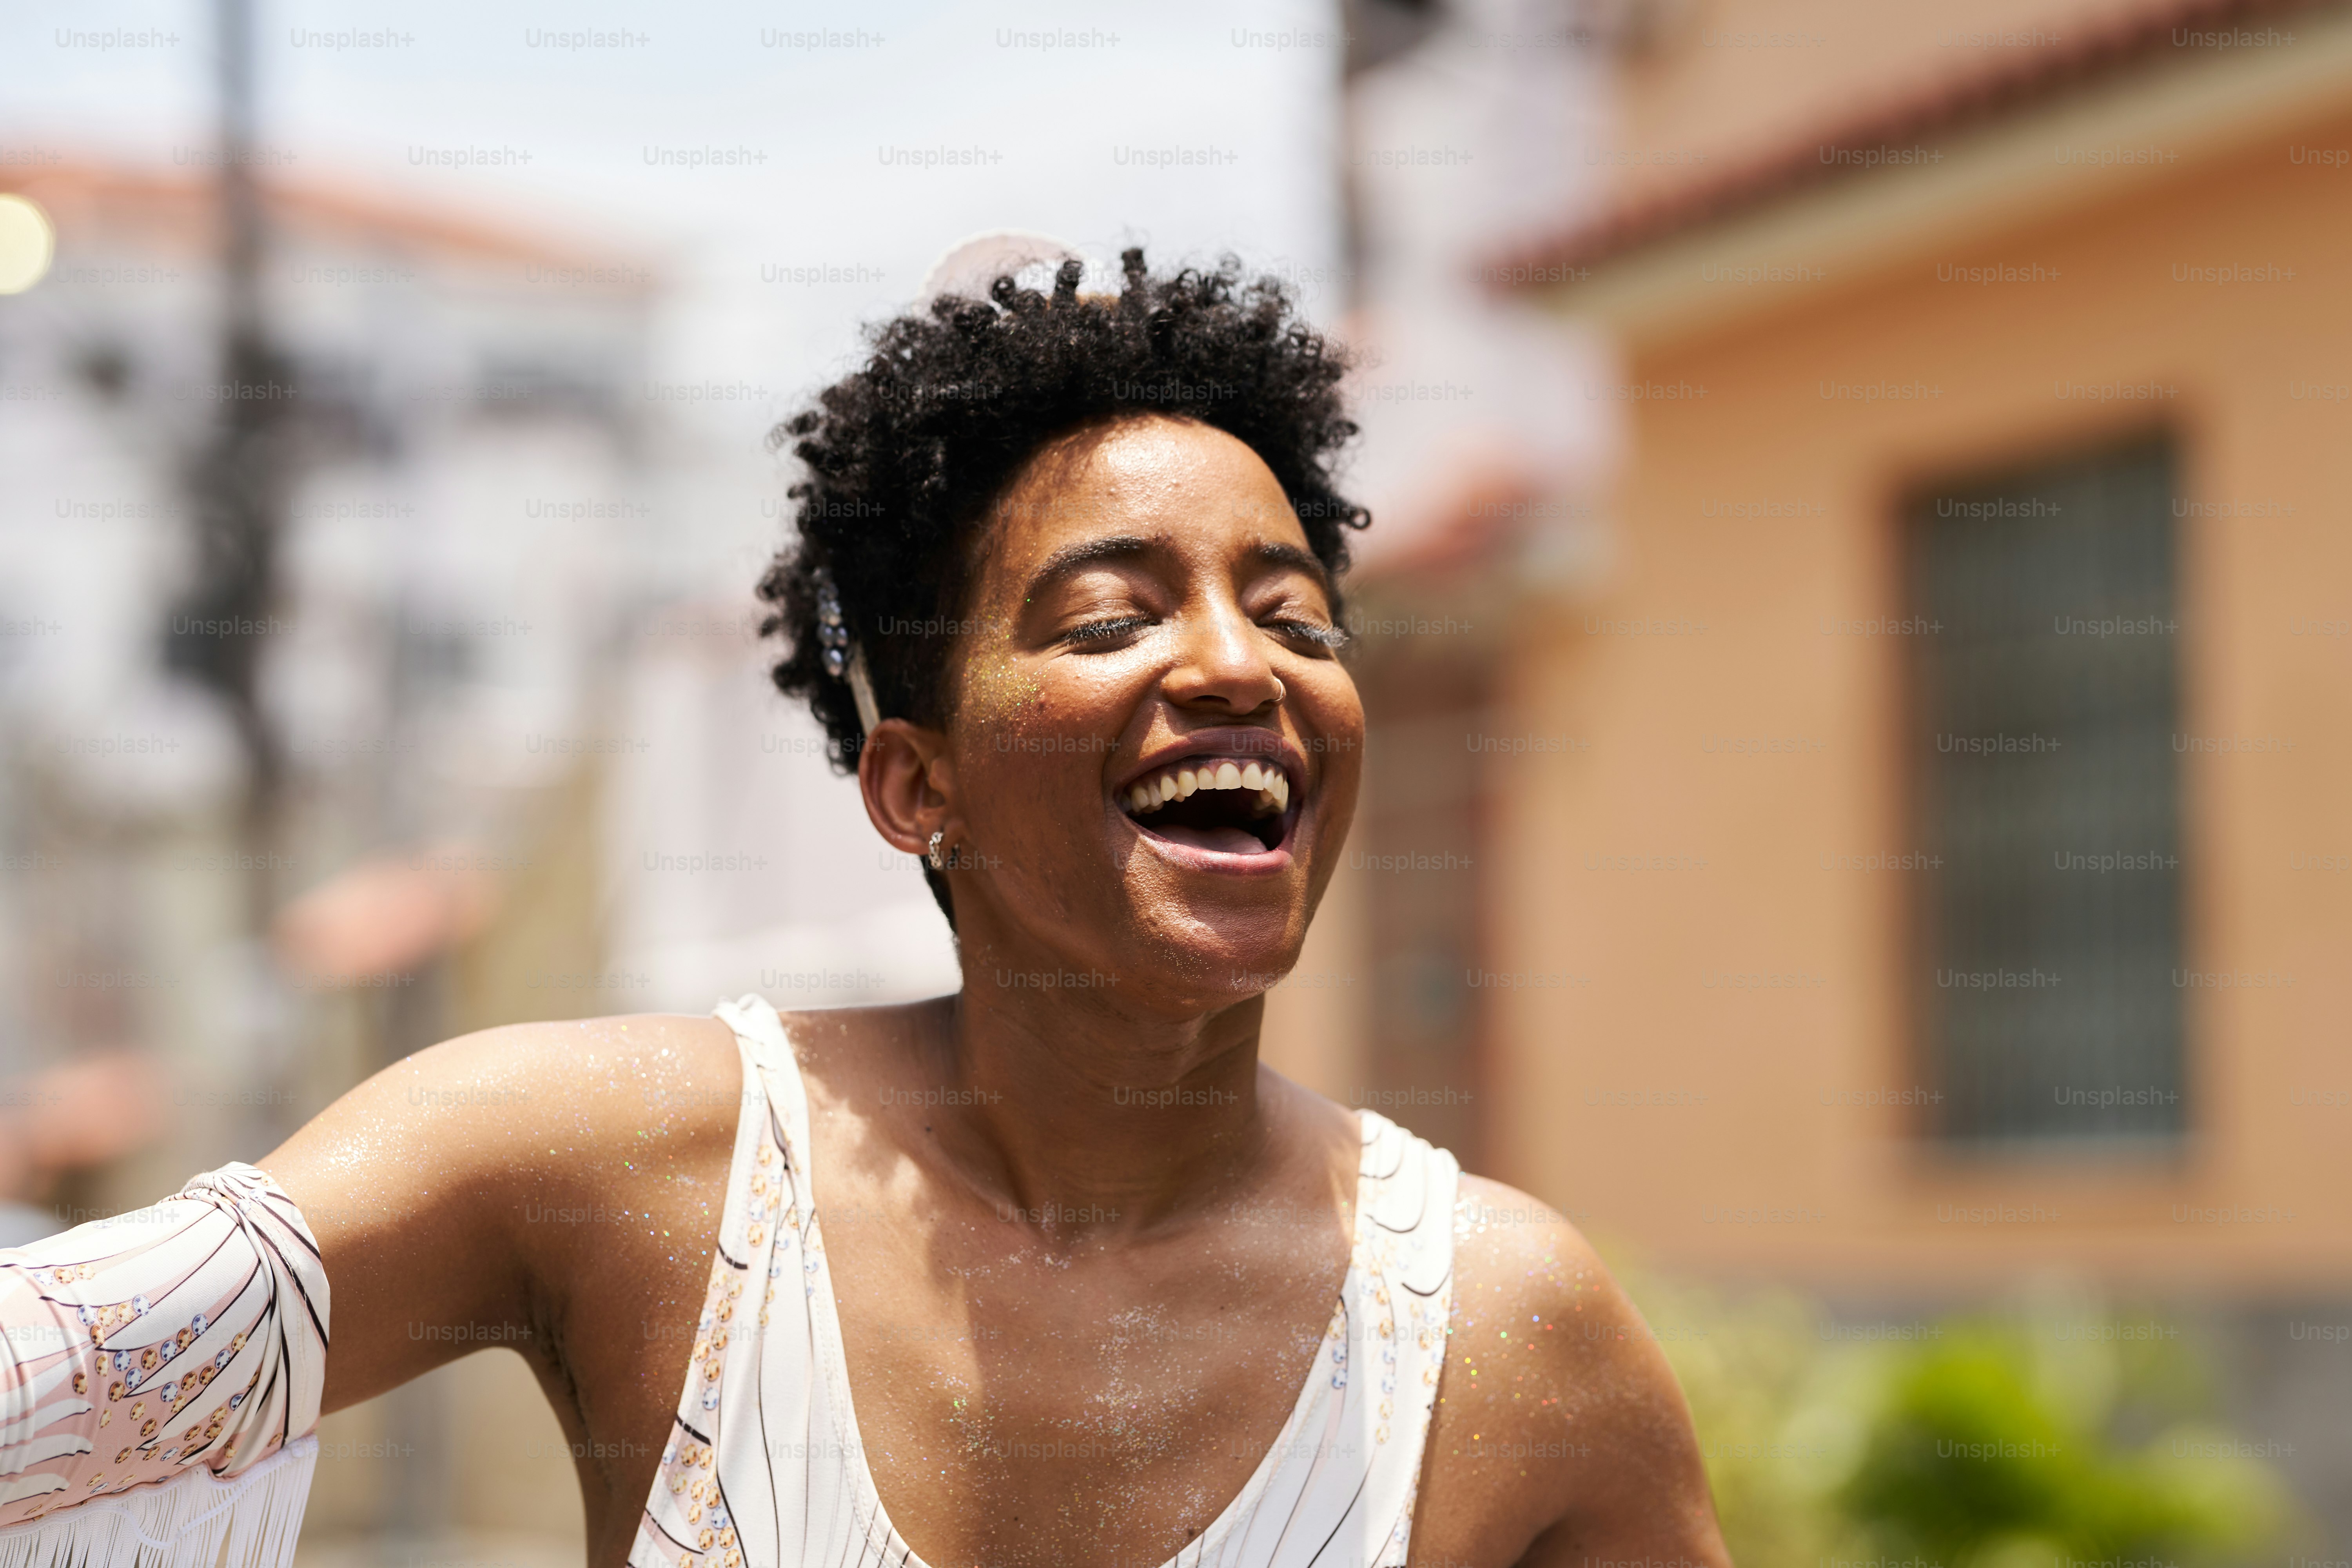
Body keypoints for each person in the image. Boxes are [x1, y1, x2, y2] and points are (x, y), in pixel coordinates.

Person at [0, 249, 1730, 1568]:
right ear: (918, 784)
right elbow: (56, 1378)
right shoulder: (615, 1164)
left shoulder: (1515, 1339)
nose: (1235, 663)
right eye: (1112, 614)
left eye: (1293, 613)